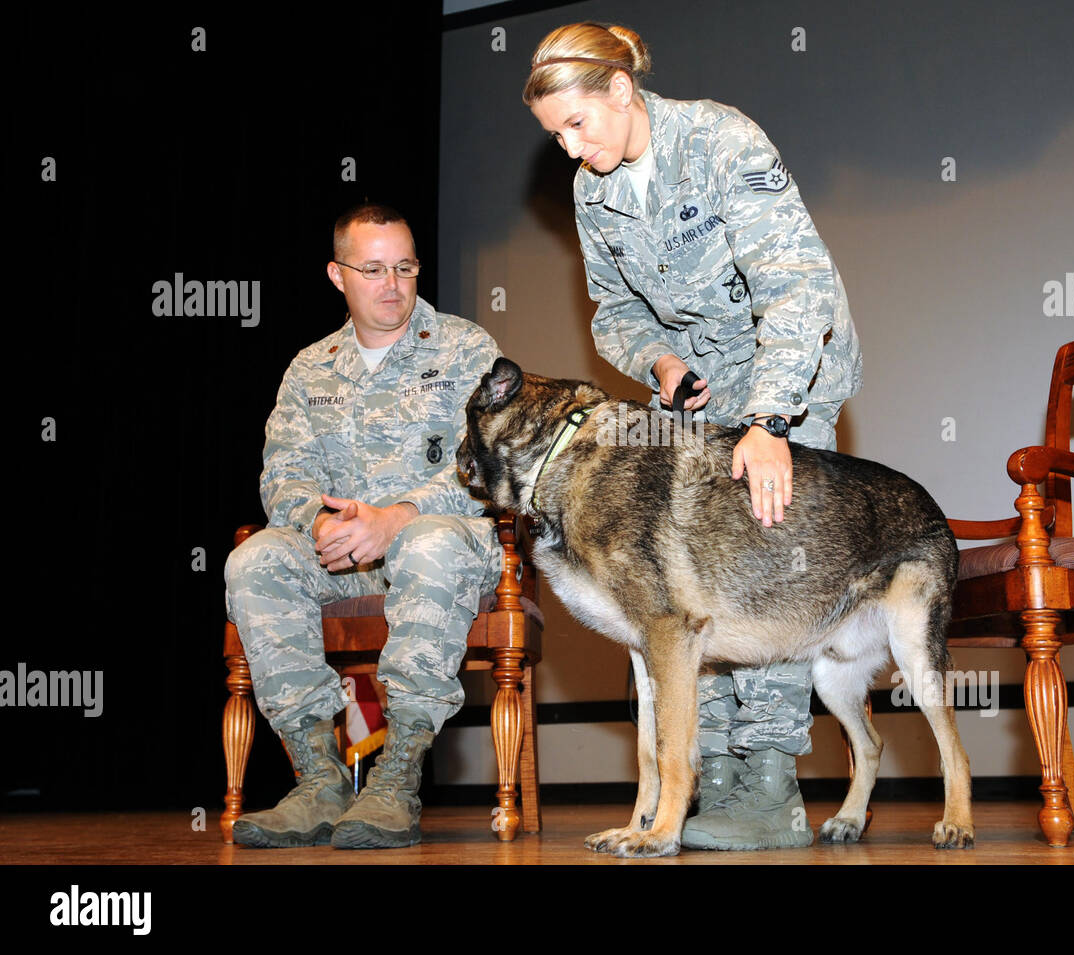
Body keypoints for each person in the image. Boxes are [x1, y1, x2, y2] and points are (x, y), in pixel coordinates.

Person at [524, 22, 864, 850]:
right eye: (555, 136)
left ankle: (769, 783)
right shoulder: (592, 191)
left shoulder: (719, 138)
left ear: (620, 89)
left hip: (792, 368)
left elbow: (797, 285)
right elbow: (614, 311)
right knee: (684, 583)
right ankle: (706, 772)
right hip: (701, 398)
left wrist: (774, 420)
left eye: (578, 124)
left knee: (770, 557)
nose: (571, 149)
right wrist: (664, 361)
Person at [224, 204, 504, 849]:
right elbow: (281, 476)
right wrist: (321, 521)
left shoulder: (466, 349)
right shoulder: (310, 366)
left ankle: (396, 780)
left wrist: (395, 519)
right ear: (336, 274)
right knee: (256, 560)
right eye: (373, 269)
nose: (392, 285)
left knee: (429, 544)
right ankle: (318, 780)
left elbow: (491, 463)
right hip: (339, 554)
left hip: (446, 541)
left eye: (405, 268)